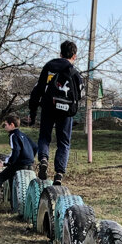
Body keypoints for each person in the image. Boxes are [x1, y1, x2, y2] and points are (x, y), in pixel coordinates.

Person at [28, 40, 84, 185]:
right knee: (64, 142)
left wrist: (33, 112)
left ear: (60, 53)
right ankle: (59, 174)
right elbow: (79, 94)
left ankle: (44, 160)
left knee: (45, 137)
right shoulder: (74, 73)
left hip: (48, 107)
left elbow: (38, 89)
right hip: (65, 112)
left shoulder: (49, 67)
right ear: (74, 56)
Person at [0, 114, 37, 206]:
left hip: (20, 164)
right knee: (12, 178)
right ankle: (14, 204)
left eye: (6, 124)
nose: (5, 127)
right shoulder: (23, 135)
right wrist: (30, 158)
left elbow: (16, 151)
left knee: (1, 176)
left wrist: (7, 164)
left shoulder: (13, 135)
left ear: (12, 125)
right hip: (29, 163)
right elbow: (35, 147)